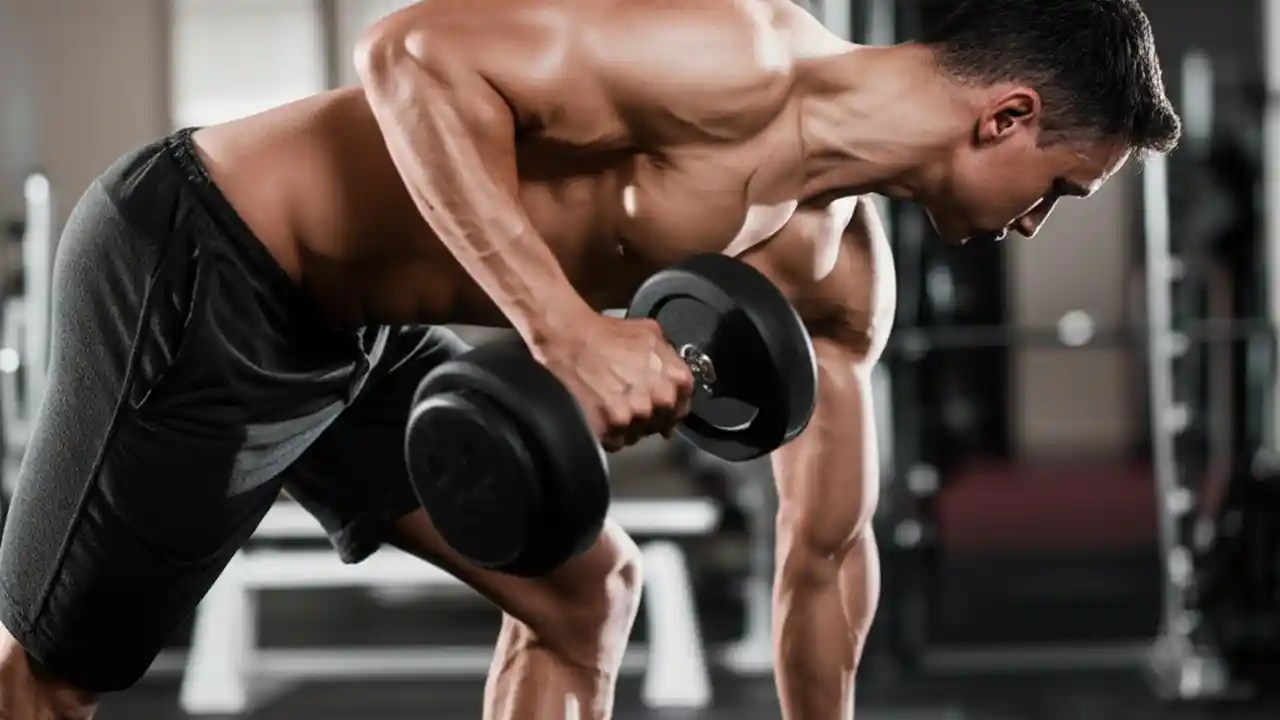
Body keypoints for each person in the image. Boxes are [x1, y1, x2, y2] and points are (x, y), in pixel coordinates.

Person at [0, 0, 1180, 717]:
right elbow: (408, 54)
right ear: (1006, 117)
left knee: (584, 591)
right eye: (1058, 192)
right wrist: (566, 331)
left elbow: (824, 554)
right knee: (56, 683)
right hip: (205, 250)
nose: (1039, 221)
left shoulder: (835, 269)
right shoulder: (732, 58)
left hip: (349, 331)